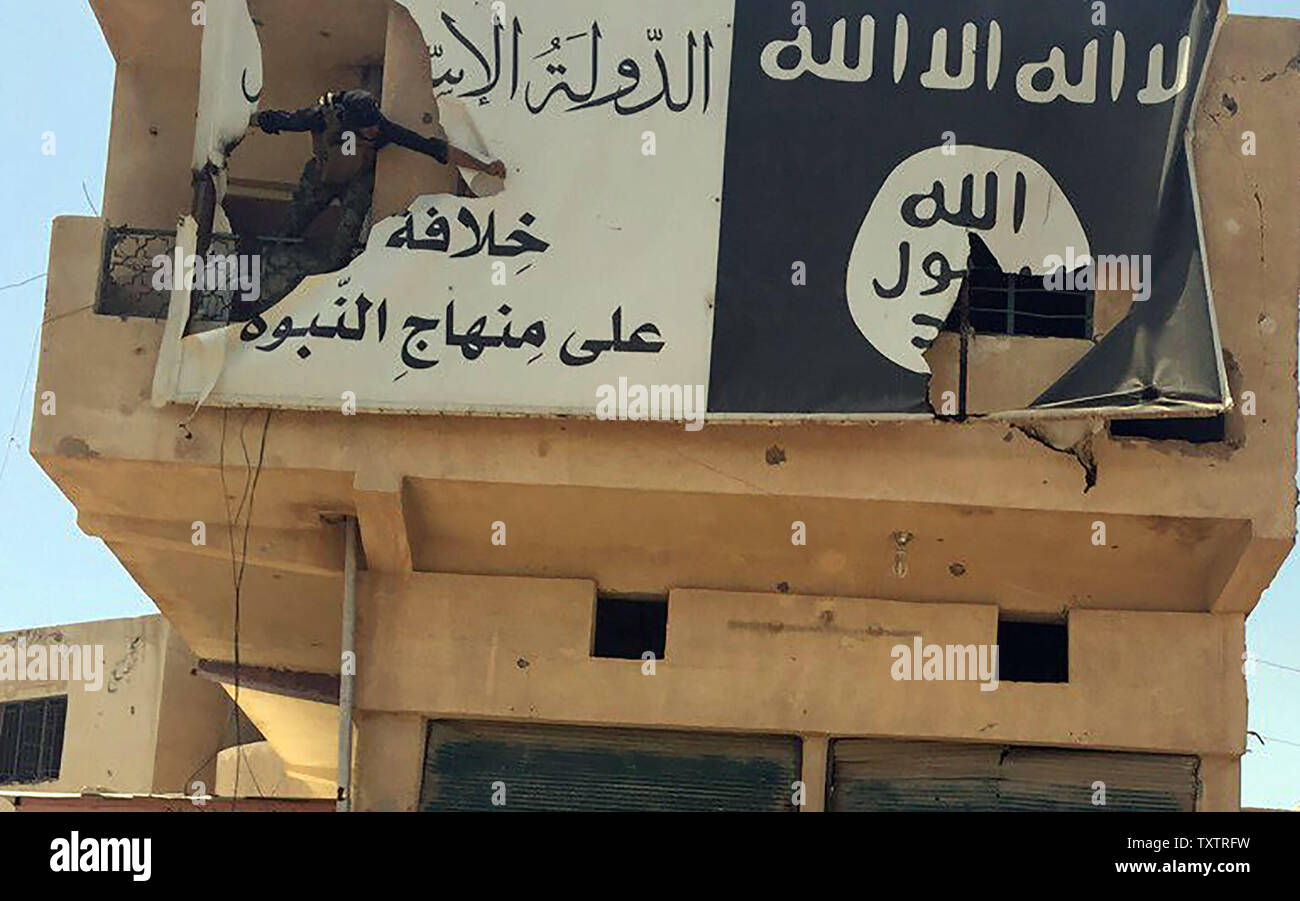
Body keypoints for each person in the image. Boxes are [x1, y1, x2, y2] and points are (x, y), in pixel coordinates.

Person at [252, 89, 506, 267]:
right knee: (291, 226)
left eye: (374, 125)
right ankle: (271, 266)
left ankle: (332, 276)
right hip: (322, 175)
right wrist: (249, 121)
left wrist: (484, 166)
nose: (373, 130)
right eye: (366, 127)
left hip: (357, 181)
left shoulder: (383, 128)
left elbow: (434, 148)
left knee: (347, 234)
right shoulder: (324, 116)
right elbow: (285, 120)